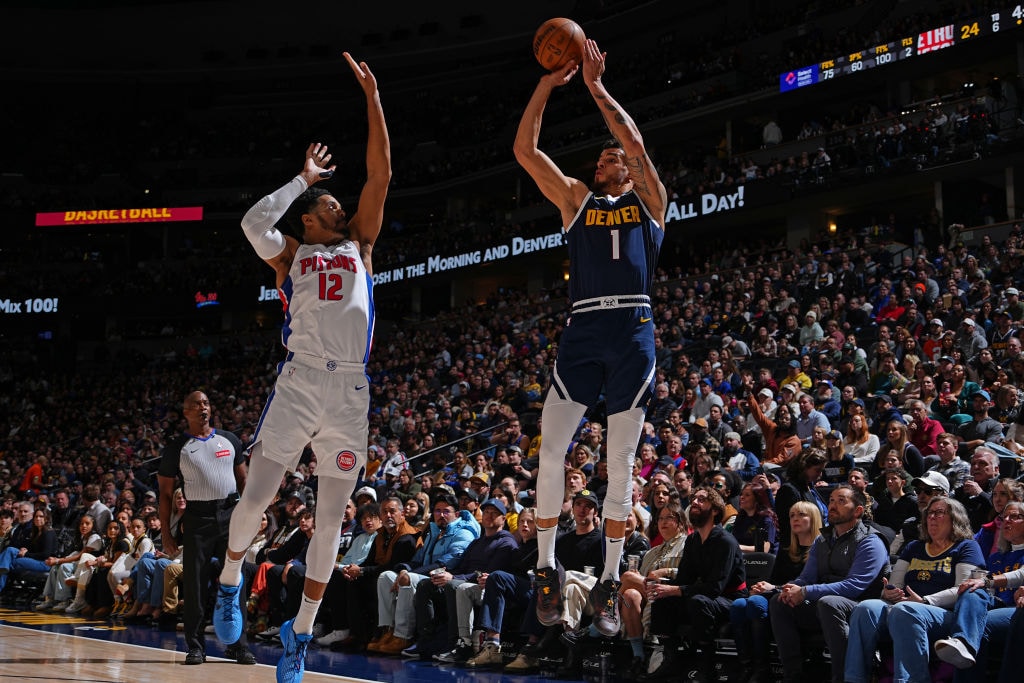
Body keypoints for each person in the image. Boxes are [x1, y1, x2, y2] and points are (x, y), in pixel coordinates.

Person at [213, 52, 391, 683]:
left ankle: (301, 636)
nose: (341, 211)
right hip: (300, 381)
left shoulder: (359, 244)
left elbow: (381, 173)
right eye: (331, 205)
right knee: (256, 499)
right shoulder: (289, 254)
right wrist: (300, 178)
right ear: (311, 216)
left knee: (333, 522)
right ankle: (230, 580)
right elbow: (250, 221)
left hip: (349, 390)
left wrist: (372, 99)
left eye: (341, 206)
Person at [513, 37, 667, 639]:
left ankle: (607, 578)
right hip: (583, 327)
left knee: (619, 463)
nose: (610, 161)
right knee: (551, 451)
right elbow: (525, 149)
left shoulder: (651, 204)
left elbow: (635, 140)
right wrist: (549, 84)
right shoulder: (576, 201)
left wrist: (598, 90)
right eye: (603, 159)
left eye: (617, 158)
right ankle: (547, 568)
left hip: (633, 328)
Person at [845, 497, 985, 683]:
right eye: (929, 513)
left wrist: (925, 601)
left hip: (945, 614)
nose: (932, 517)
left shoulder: (967, 547)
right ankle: (854, 678)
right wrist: (888, 593)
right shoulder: (914, 547)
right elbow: (896, 584)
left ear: (955, 518)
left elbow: (963, 588)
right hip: (904, 608)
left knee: (905, 611)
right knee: (865, 609)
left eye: (939, 513)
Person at [158, 390, 253, 665]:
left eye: (206, 403)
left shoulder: (229, 439)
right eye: (196, 404)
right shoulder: (177, 447)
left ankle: (238, 645)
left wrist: (249, 515)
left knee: (234, 581)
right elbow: (165, 494)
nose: (203, 407)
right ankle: (196, 646)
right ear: (186, 412)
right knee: (195, 584)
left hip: (231, 514)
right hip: (197, 518)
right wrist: (166, 532)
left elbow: (244, 480)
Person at [768, 484, 889, 683]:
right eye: (831, 500)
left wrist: (806, 591)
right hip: (826, 603)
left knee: (829, 603)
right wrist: (788, 589)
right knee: (779, 602)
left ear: (857, 510)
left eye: (841, 501)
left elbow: (854, 586)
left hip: (861, 605)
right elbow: (806, 578)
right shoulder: (822, 540)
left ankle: (843, 677)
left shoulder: (870, 541)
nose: (833, 505)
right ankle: (793, 676)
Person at [642, 486, 747, 682]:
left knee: (698, 602)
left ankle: (706, 666)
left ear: (715, 510)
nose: (695, 503)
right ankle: (670, 658)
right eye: (694, 499)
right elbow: (684, 579)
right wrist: (663, 588)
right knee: (662, 599)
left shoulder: (726, 541)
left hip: (729, 598)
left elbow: (715, 588)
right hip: (704, 595)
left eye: (702, 499)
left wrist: (675, 589)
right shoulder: (693, 540)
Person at [729, 501, 823, 682]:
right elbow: (774, 580)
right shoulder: (786, 549)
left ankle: (762, 668)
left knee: (756, 604)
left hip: (802, 598)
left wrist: (773, 589)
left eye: (801, 515)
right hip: (777, 592)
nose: (795, 519)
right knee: (739, 605)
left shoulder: (821, 549)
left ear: (813, 519)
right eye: (792, 516)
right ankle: (747, 665)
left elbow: (812, 583)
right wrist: (761, 588)